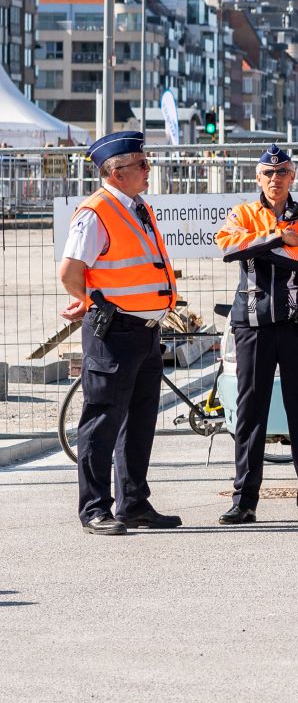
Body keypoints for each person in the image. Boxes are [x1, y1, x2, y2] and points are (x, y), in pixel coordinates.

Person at [58, 131, 182, 535]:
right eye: (141, 164)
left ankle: (133, 503)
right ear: (116, 172)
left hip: (144, 330)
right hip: (115, 329)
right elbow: (70, 272)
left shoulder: (136, 206)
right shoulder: (96, 211)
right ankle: (95, 508)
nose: (149, 169)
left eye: (146, 162)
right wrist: (94, 302)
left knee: (140, 420)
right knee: (102, 418)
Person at [214, 146, 298, 524]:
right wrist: (281, 237)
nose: (275, 179)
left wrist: (260, 245)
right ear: (258, 177)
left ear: (293, 176)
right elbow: (228, 247)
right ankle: (244, 501)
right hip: (251, 324)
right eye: (268, 173)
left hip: (297, 322)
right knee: (250, 415)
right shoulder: (243, 213)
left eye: (282, 172)